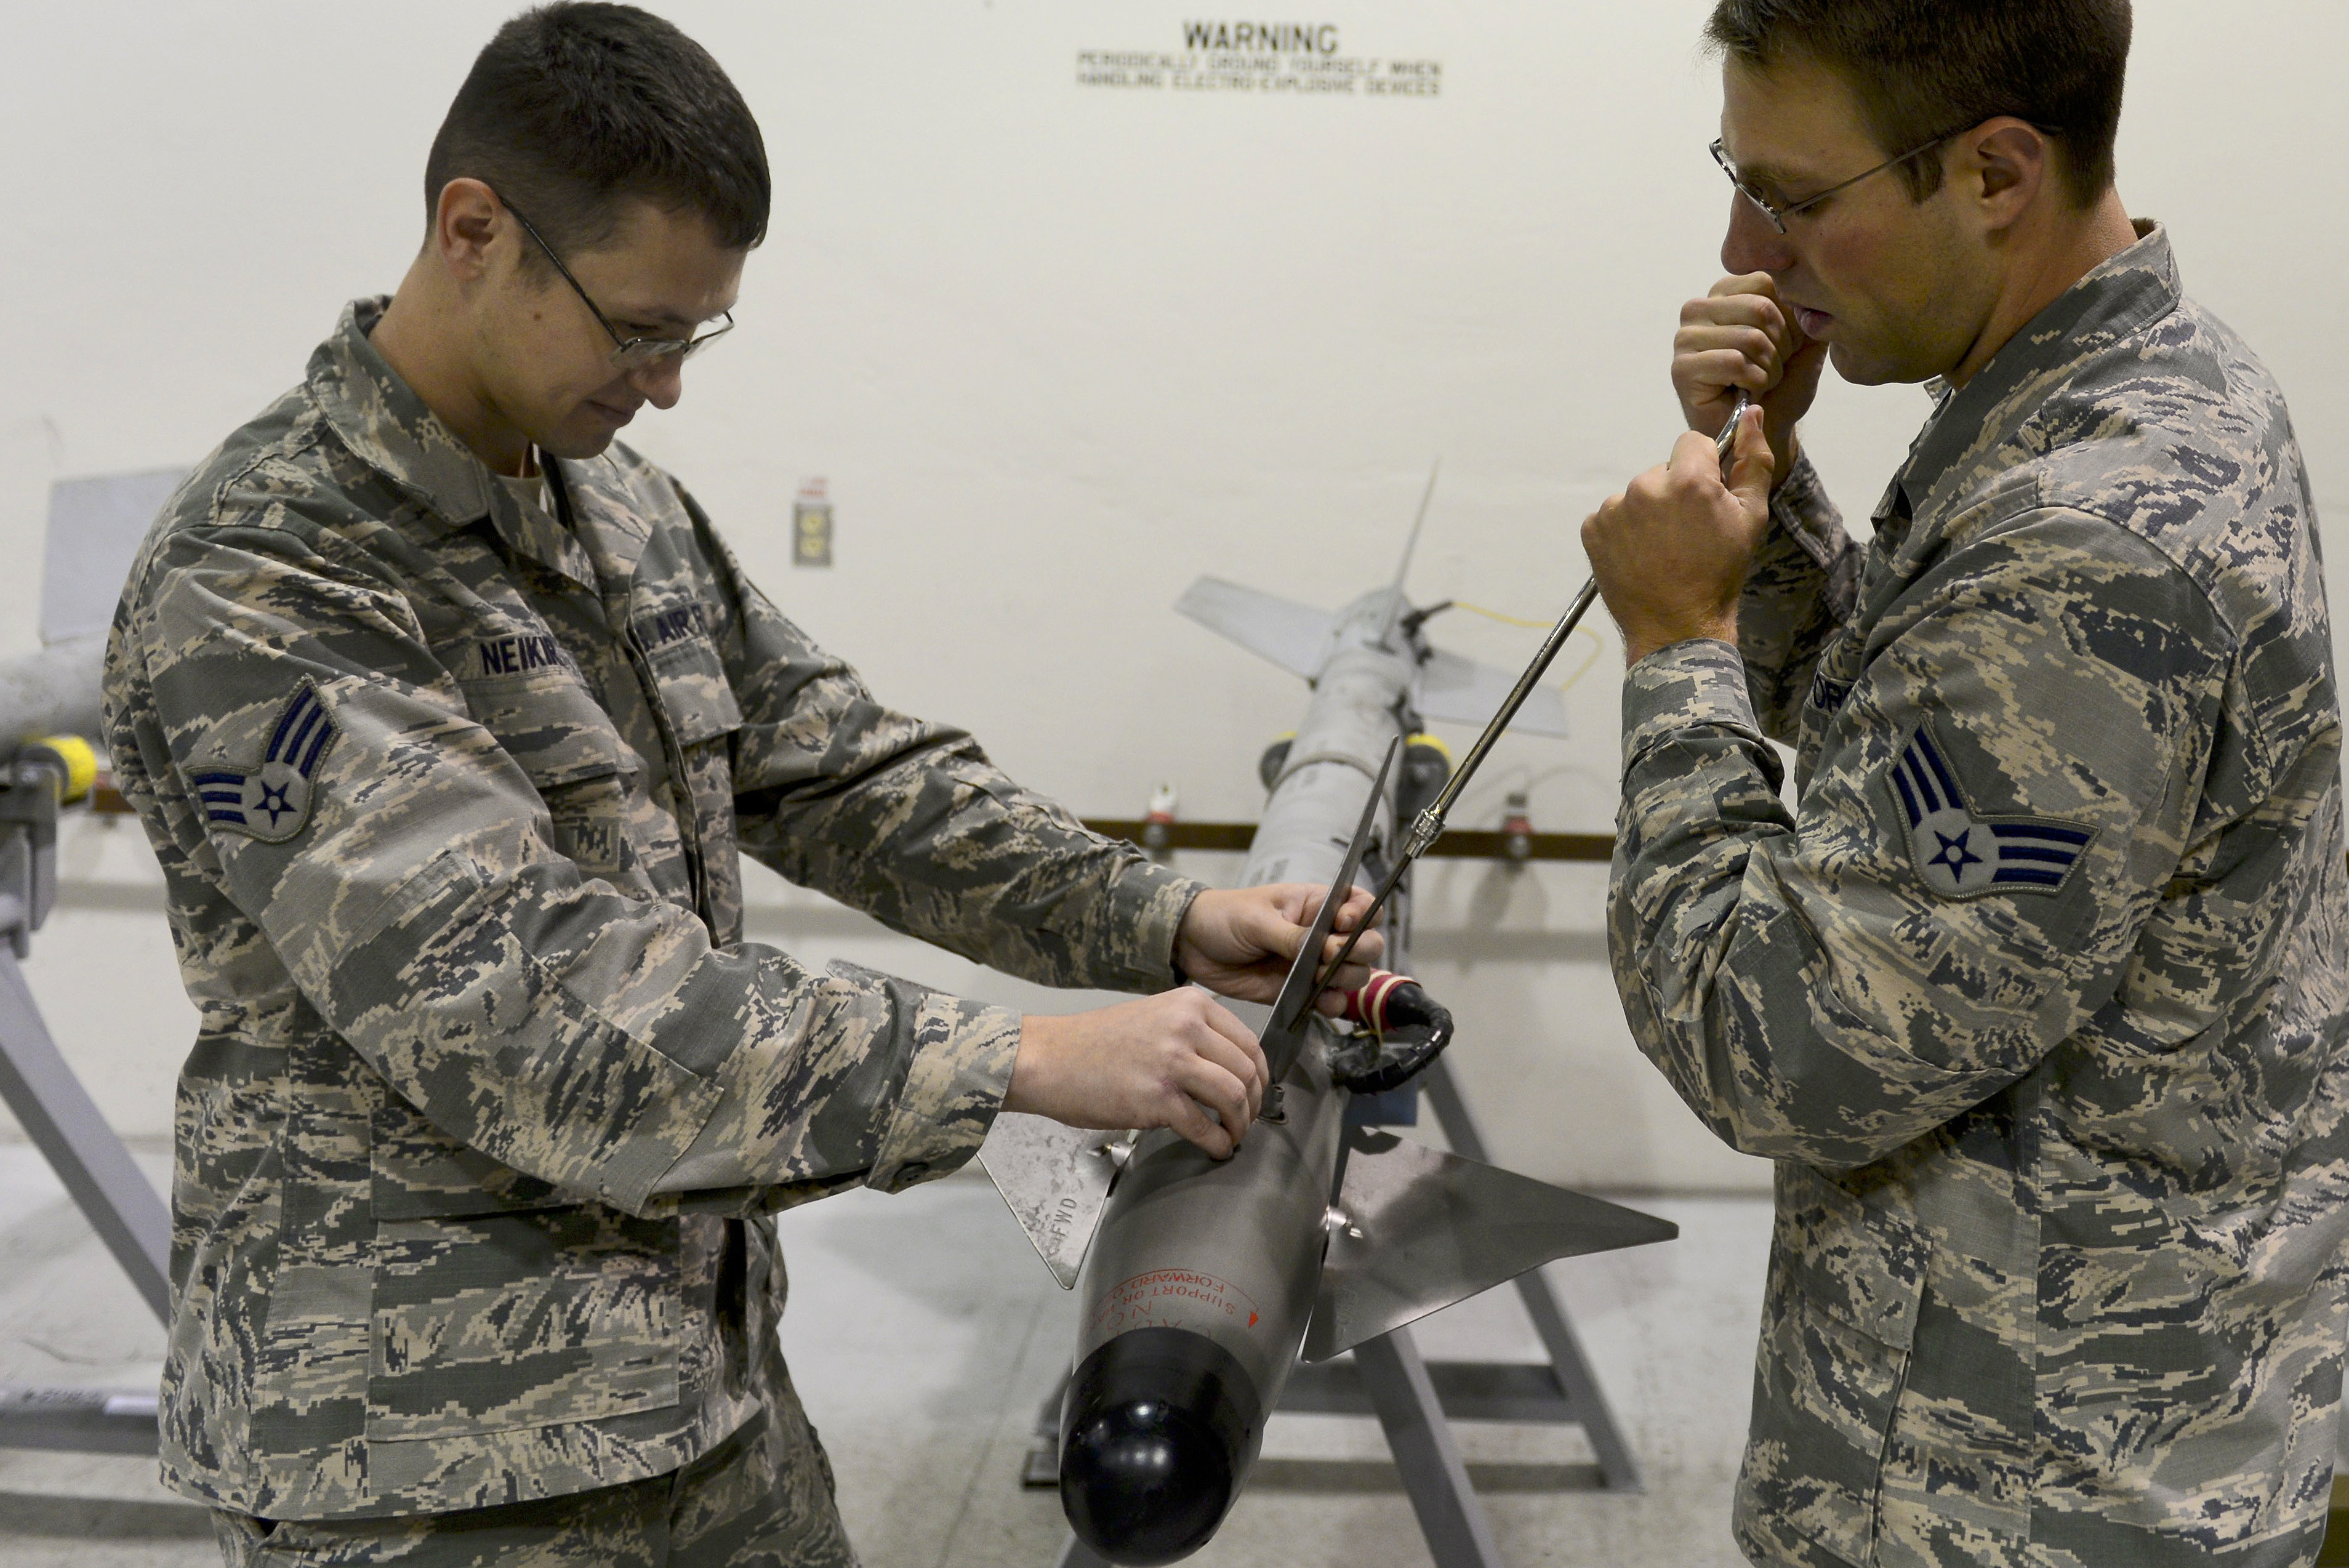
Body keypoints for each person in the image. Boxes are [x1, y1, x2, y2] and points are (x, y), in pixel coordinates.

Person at [99, 6, 1379, 1563]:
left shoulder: (616, 506)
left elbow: (846, 770)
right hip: (424, 1467)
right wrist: (1016, 1059)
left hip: (697, 1396)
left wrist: (1161, 914)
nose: (668, 383)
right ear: (473, 230)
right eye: (639, 328)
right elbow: (527, 1004)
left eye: (695, 336)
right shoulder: (265, 571)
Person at [1579, 2, 2347, 1565]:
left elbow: (1778, 1039)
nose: (1746, 249)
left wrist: (1677, 649)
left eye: (1793, 199)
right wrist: (1766, 487)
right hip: (2055, 1438)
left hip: (2020, 1492)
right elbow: (1926, 785)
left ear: (1996, 172)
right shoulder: (2121, 396)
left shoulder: (2092, 540)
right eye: (1737, 176)